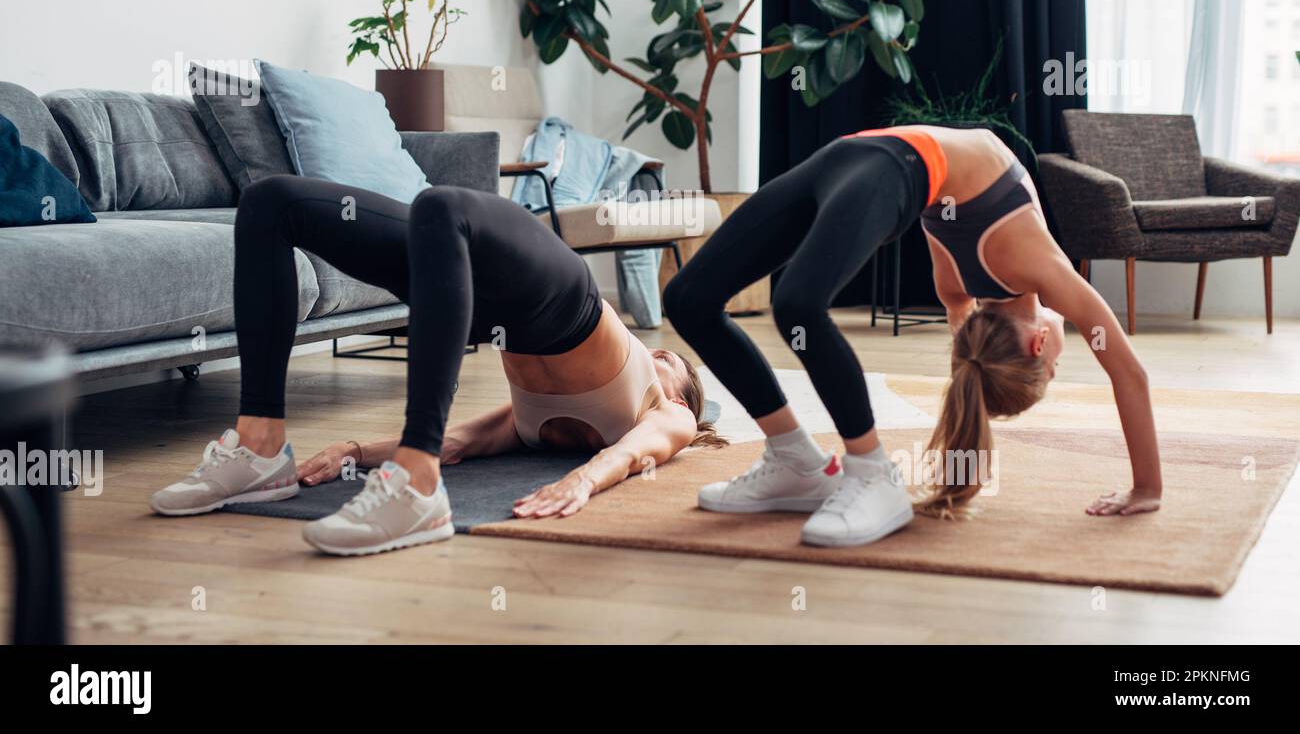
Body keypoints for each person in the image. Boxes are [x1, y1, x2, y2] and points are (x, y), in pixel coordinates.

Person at [150, 176, 719, 555]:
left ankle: (417, 490)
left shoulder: (671, 415)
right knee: (270, 202)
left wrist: (582, 481)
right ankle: (260, 449)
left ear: (681, 396)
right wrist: (354, 450)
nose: (661, 353)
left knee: (439, 207)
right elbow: (459, 440)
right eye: (663, 352)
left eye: (672, 362)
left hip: (480, 305)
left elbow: (625, 454)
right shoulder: (586, 393)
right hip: (559, 294)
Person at [664, 125, 1161, 547]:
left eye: (1054, 368)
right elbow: (1125, 374)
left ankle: (853, 468)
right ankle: (807, 464)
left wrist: (1147, 488)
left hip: (868, 163)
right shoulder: (1018, 272)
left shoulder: (988, 282)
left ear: (1038, 344)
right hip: (864, 162)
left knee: (788, 304)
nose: (1061, 352)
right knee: (691, 300)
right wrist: (1145, 487)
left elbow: (978, 356)